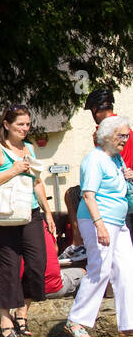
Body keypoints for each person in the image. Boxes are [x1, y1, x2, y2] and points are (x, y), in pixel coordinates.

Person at [0, 104, 56, 337]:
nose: (25, 128)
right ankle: (5, 322)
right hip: (3, 217)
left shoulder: (29, 148)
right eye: (20, 124)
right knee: (8, 268)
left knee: (36, 264)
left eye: (28, 124)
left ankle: (22, 312)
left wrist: (48, 213)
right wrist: (14, 170)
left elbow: (37, 182)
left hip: (29, 213)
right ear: (7, 125)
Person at [64, 115, 133, 337]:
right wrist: (99, 225)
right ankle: (76, 320)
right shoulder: (94, 159)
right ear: (107, 136)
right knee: (100, 268)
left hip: (118, 222)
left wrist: (128, 177)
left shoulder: (116, 159)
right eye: (121, 135)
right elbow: (88, 195)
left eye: (126, 135)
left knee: (126, 270)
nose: (125, 139)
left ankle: (128, 323)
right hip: (98, 219)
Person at [63, 87, 133, 251]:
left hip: (114, 194)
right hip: (124, 188)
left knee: (72, 195)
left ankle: (78, 244)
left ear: (96, 109)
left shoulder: (105, 131)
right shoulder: (126, 128)